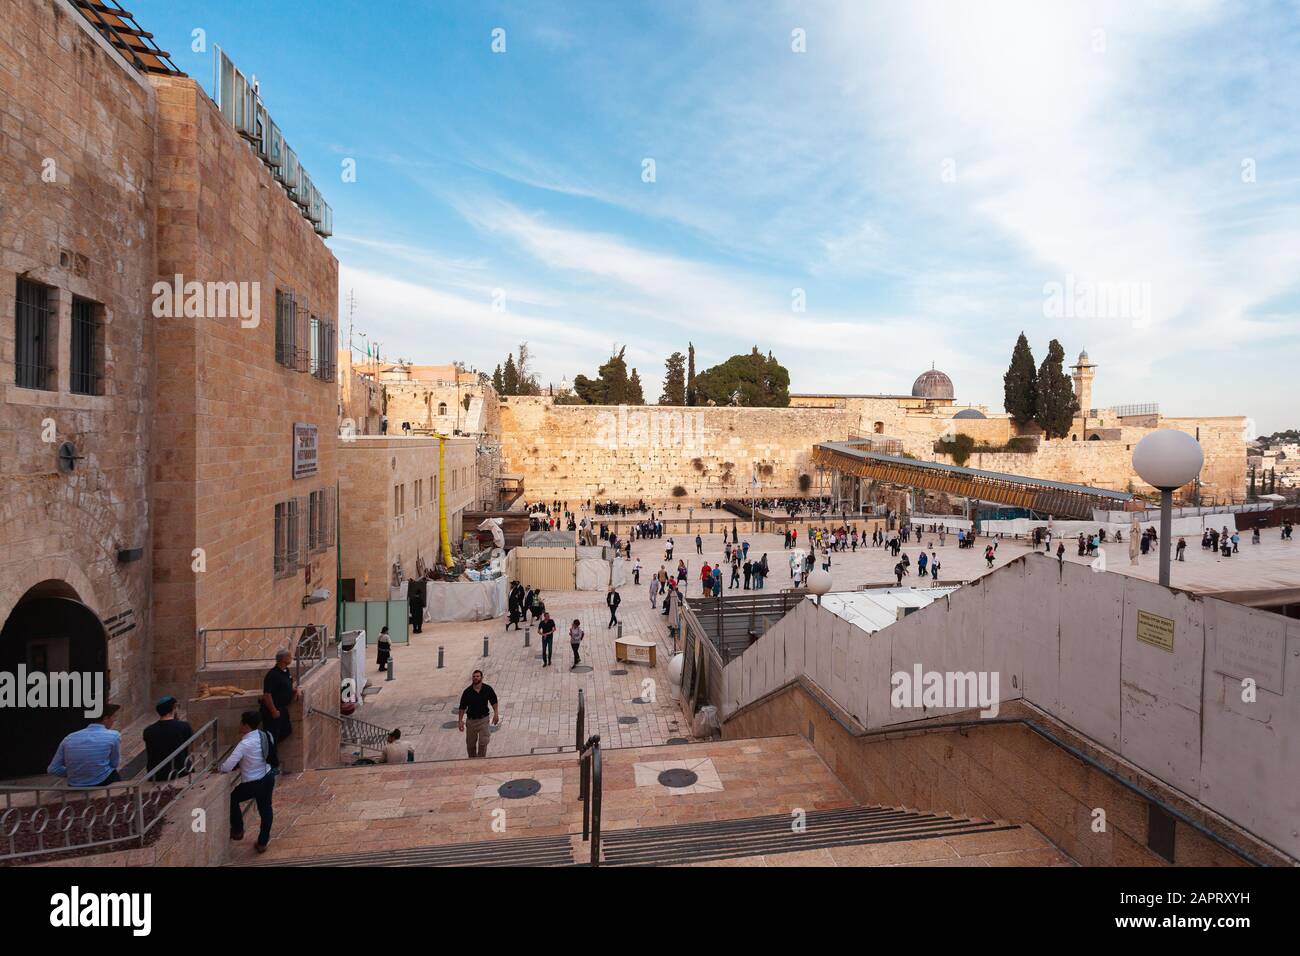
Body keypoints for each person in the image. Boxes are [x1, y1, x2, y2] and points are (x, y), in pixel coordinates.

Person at [221, 710, 277, 853]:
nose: (239, 725)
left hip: (254, 782)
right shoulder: (263, 735)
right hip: (268, 776)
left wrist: (220, 769)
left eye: (241, 722)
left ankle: (238, 829)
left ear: (245, 725)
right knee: (266, 809)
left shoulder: (244, 744)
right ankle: (262, 842)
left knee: (233, 798)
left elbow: (227, 766)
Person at [48, 703, 122, 787]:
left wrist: (75, 773)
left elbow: (53, 769)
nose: (114, 720)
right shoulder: (114, 736)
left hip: (75, 785)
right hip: (102, 782)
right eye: (113, 717)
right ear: (106, 718)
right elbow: (114, 764)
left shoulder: (69, 738)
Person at [143, 696, 194, 781]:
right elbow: (189, 748)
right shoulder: (183, 726)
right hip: (180, 770)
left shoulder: (148, 730)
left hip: (156, 774)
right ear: (174, 707)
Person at [457, 670, 500, 758]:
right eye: (474, 676)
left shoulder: (487, 689)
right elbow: (462, 707)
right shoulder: (467, 692)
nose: (475, 678)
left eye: (477, 676)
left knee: (483, 742)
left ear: (481, 677)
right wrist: (460, 721)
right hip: (471, 721)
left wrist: (496, 713)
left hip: (483, 720)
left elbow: (494, 701)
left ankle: (481, 760)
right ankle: (472, 760)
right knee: (470, 744)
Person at [261, 649, 298, 744]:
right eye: (289, 656)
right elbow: (267, 695)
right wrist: (273, 711)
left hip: (283, 708)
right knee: (272, 737)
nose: (291, 658)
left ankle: (272, 752)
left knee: (286, 731)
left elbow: (286, 685)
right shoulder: (273, 674)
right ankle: (270, 756)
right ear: (283, 659)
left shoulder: (286, 671)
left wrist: (293, 690)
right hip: (274, 710)